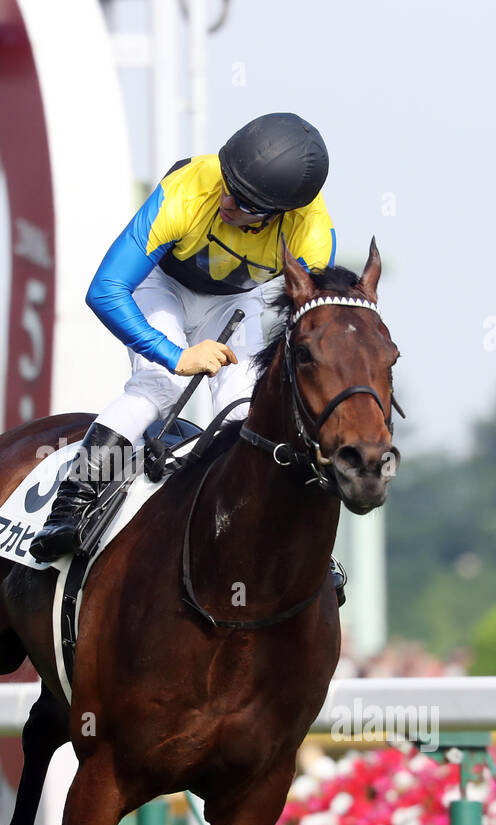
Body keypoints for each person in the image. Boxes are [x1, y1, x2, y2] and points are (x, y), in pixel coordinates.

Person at [30, 111, 338, 563]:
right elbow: (105, 290)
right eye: (229, 187)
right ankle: (69, 508)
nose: (227, 202)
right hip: (161, 286)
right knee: (161, 387)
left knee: (247, 406)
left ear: (281, 214)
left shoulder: (311, 232)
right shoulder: (190, 188)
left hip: (236, 301)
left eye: (245, 204)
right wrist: (174, 355)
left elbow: (312, 330)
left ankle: (287, 527)